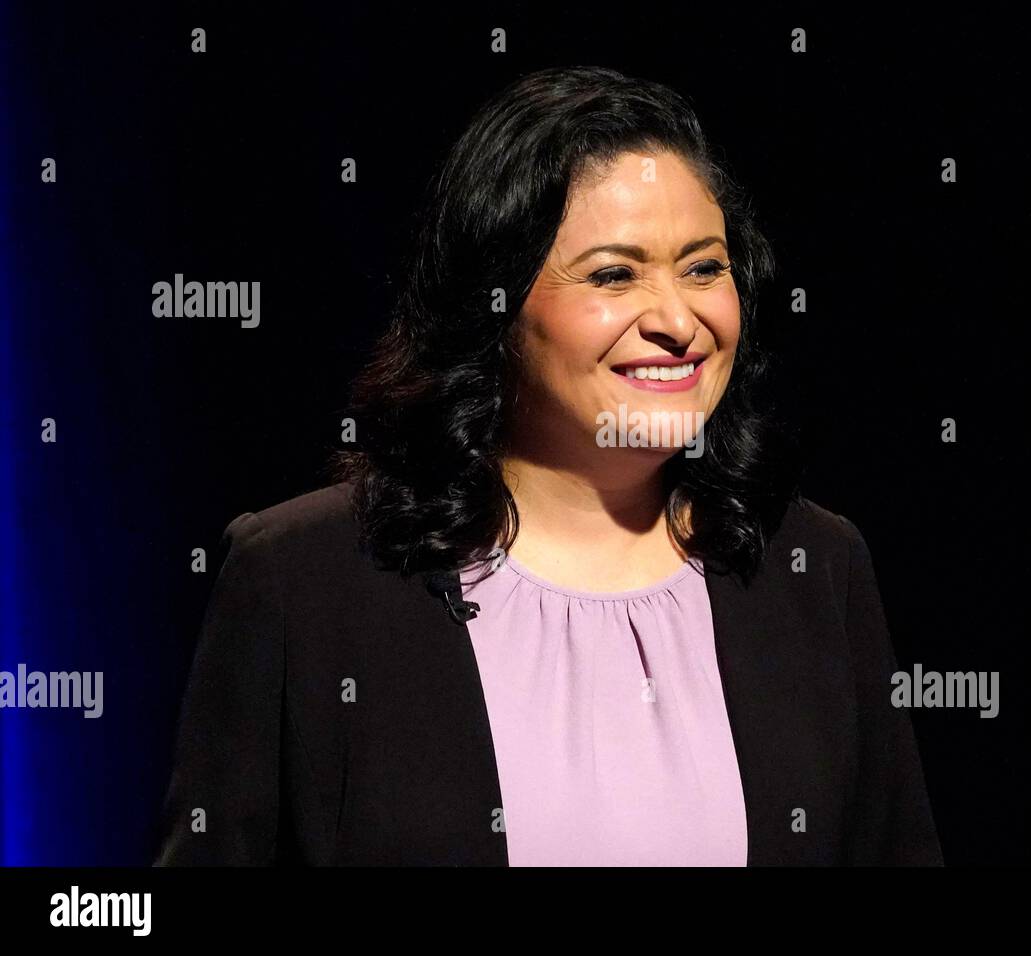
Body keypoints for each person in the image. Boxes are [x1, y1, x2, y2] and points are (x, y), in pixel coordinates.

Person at [154, 65, 943, 866]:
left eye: (704, 267)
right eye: (613, 274)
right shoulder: (304, 578)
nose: (678, 320)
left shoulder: (814, 567)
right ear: (494, 306)